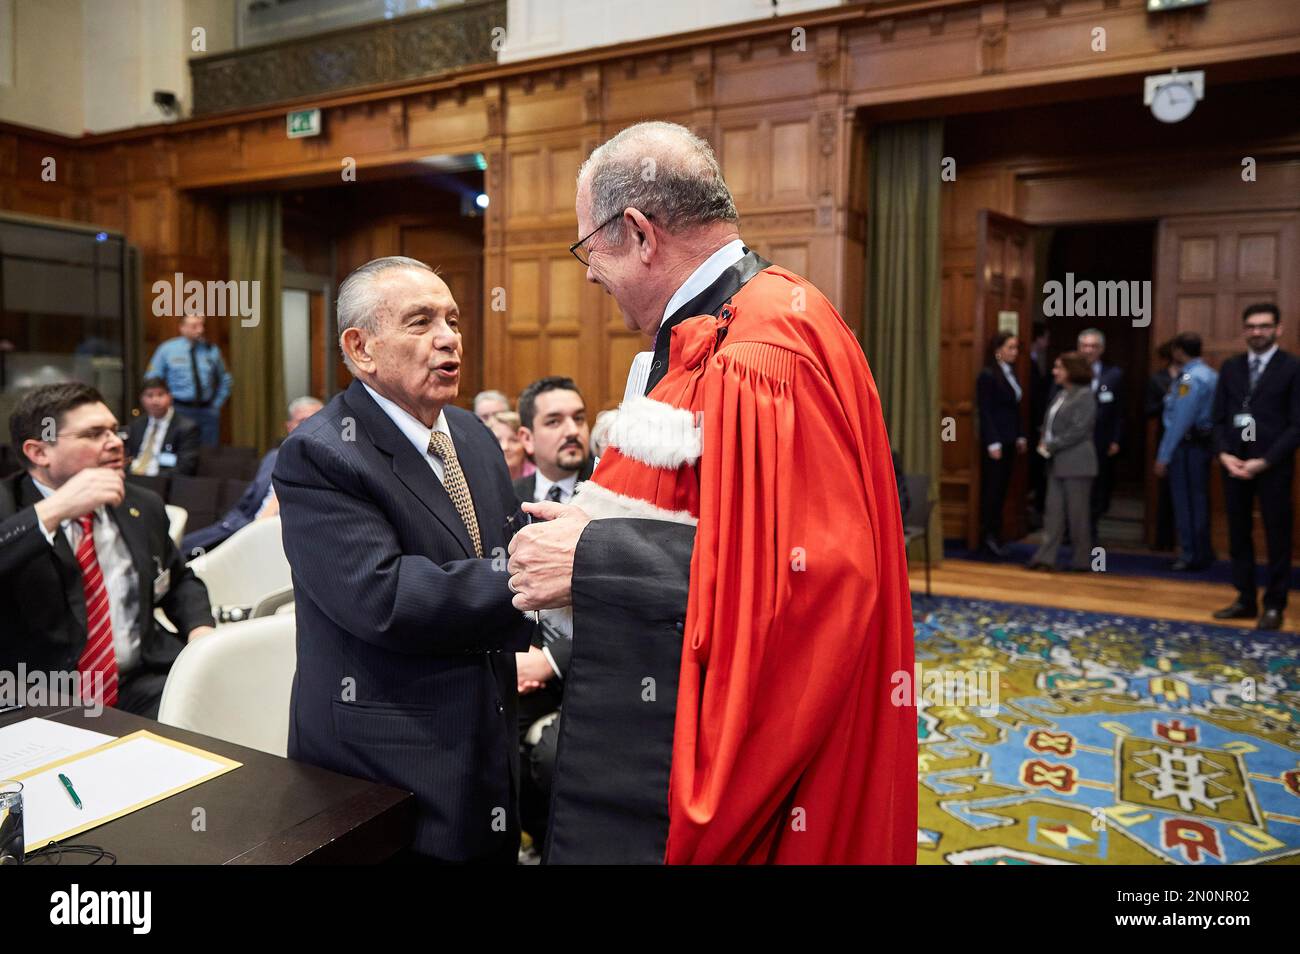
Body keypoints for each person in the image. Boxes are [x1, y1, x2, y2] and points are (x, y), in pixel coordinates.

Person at [506, 121, 915, 864]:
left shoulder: (760, 355)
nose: (589, 275)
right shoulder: (736, 329)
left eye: (587, 249)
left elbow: (812, 581)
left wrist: (595, 555)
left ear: (637, 233)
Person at [274, 257, 534, 863]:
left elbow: (498, 547)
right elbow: (384, 598)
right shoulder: (320, 454)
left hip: (486, 728)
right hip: (389, 758)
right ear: (360, 348)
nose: (448, 337)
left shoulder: (470, 433)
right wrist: (535, 576)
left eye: (452, 318)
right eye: (420, 322)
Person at [0, 383, 215, 718]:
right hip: (37, 691)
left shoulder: (140, 504)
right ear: (39, 452)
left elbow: (178, 581)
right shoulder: (8, 506)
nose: (116, 443)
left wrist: (200, 631)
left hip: (142, 681)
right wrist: (54, 511)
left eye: (114, 431)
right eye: (93, 434)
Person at [1211, 303, 1300, 630]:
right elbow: (1218, 418)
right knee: (1238, 534)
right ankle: (1244, 598)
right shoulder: (1231, 367)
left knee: (1277, 535)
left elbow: (1296, 425)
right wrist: (1224, 454)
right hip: (1233, 464)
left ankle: (1275, 604)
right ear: (1244, 330)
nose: (1257, 332)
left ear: (1278, 329)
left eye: (1264, 326)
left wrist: (1264, 461)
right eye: (1251, 326)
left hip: (1272, 466)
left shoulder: (1292, 367)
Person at [179, 396, 322, 557]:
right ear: (289, 427)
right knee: (181, 550)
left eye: (316, 420)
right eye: (302, 421)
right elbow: (247, 502)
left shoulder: (328, 464)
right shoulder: (274, 457)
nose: (310, 426)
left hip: (283, 540)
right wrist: (234, 524)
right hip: (244, 528)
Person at [1028, 352, 1097, 572]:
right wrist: (1044, 440)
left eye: (1059, 367)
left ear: (1072, 370)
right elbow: (1051, 425)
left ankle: (1081, 560)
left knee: (1077, 516)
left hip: (1077, 463)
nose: (1054, 371)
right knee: (1053, 513)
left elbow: (1079, 430)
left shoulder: (1085, 395)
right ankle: (1045, 558)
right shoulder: (1061, 394)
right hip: (1057, 463)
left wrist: (1051, 445)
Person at [1154, 333, 1217, 571]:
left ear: (1179, 351)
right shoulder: (1210, 373)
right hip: (1200, 445)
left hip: (1187, 446)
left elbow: (1180, 419)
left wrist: (1164, 455)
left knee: (1186, 502)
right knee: (1198, 500)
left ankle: (1191, 554)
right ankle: (1202, 551)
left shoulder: (1190, 379)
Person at [145, 312, 232, 448]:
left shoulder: (211, 350)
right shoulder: (167, 350)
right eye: (194, 326)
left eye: (201, 325)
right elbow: (153, 379)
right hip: (179, 409)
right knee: (178, 449)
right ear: (182, 328)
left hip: (207, 411)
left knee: (208, 453)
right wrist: (163, 403)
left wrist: (217, 404)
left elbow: (225, 379)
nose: (200, 330)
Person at [976, 332, 1026, 557]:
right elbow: (985, 412)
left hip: (1009, 439)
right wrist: (992, 442)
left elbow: (1015, 409)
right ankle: (987, 537)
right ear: (998, 349)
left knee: (1003, 489)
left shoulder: (1011, 373)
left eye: (1016, 348)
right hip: (995, 443)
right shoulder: (987, 375)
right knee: (992, 491)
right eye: (1011, 347)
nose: (1015, 352)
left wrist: (1020, 435)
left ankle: (997, 535)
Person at [512, 376, 594, 506]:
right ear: (527, 439)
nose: (573, 431)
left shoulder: (609, 493)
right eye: (554, 421)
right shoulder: (510, 496)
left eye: (578, 418)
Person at [1076, 328, 1123, 537]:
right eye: (1085, 346)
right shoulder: (1068, 371)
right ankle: (1071, 530)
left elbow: (1120, 411)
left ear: (1101, 349)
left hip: (1100, 439)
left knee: (1096, 486)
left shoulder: (1113, 374)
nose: (1088, 350)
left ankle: (1090, 528)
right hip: (1072, 441)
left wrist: (1116, 439)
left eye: (1093, 346)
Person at [124, 376, 200, 477]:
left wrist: (153, 477)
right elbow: (128, 457)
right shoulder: (136, 425)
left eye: (160, 395)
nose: (155, 401)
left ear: (170, 397)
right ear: (141, 399)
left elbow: (185, 468)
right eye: (149, 396)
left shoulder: (186, 428)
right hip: (134, 477)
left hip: (164, 481)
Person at [1145, 339, 1179, 551]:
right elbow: (1148, 410)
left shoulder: (1194, 377)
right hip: (1165, 438)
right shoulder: (1158, 379)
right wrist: (1167, 400)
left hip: (1192, 440)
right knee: (1165, 493)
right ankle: (1163, 541)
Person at [488, 410, 532, 482]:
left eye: (514, 440)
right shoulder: (481, 478)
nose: (505, 447)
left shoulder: (539, 478)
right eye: (497, 440)